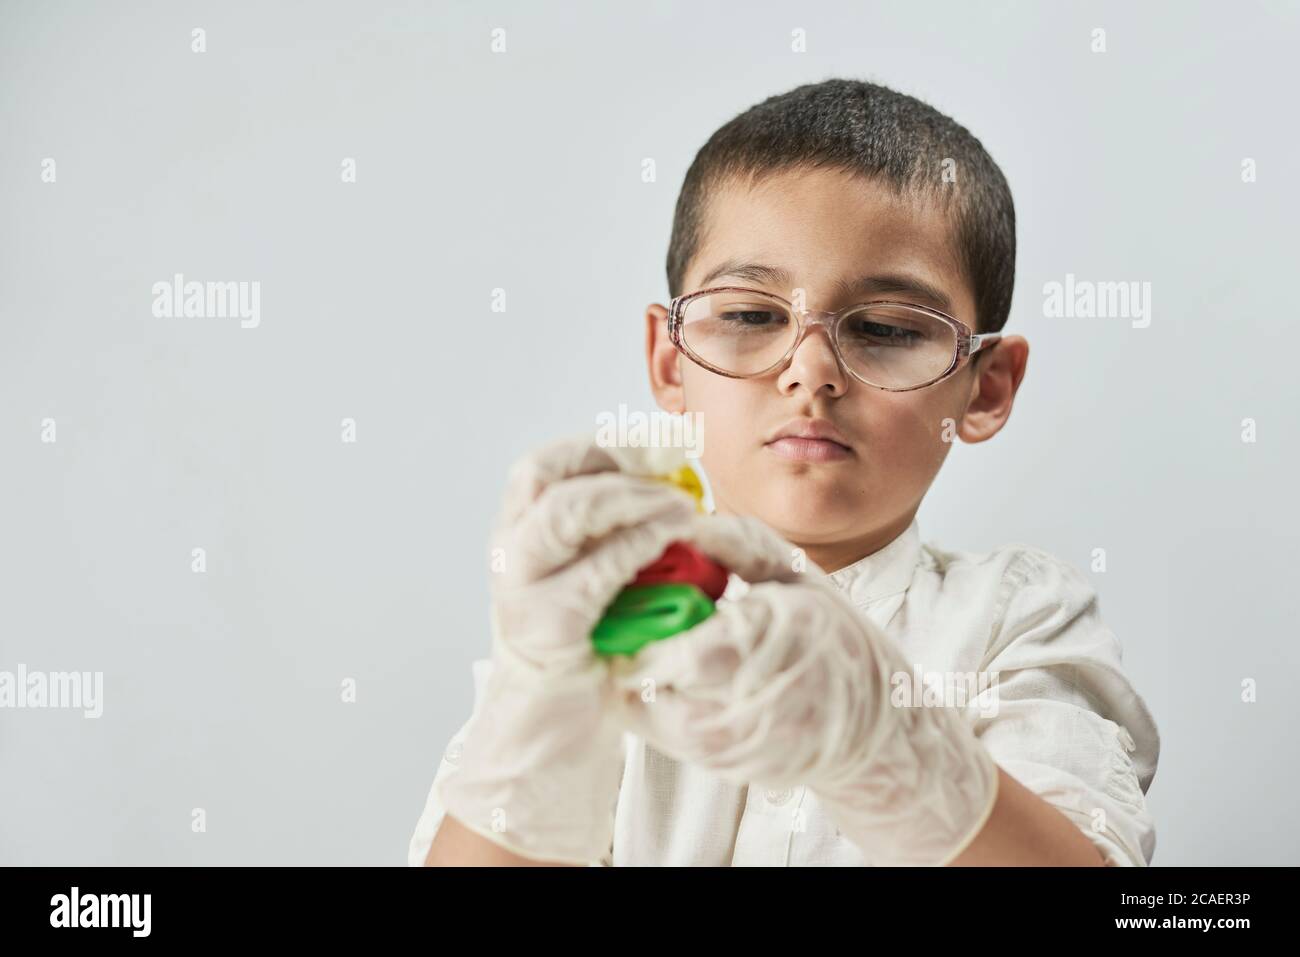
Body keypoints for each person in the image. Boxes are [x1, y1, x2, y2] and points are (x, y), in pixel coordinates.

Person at [408, 78, 1158, 867]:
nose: (810, 371)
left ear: (988, 385)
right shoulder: (593, 628)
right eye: (750, 315)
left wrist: (889, 750)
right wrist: (540, 705)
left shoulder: (1021, 619)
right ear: (670, 359)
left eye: (886, 328)